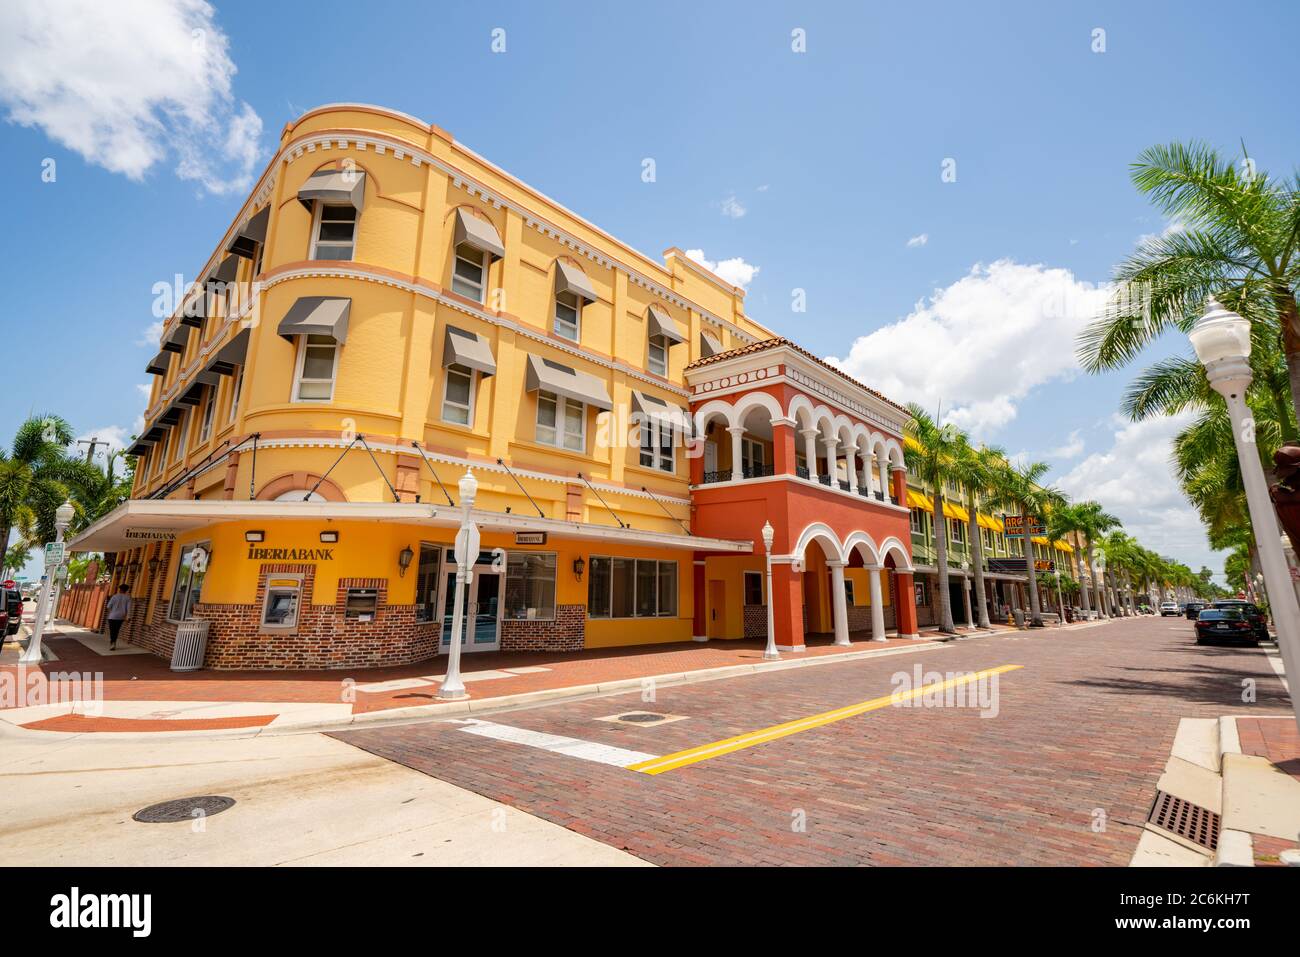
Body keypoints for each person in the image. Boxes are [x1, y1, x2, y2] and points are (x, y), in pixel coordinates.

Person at [105, 584, 132, 651]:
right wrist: (128, 617)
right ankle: (113, 643)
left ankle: (112, 643)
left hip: (112, 617)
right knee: (116, 630)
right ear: (126, 590)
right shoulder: (128, 598)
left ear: (119, 589)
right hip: (120, 617)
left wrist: (112, 612)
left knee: (112, 631)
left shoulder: (114, 596)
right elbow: (129, 609)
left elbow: (108, 606)